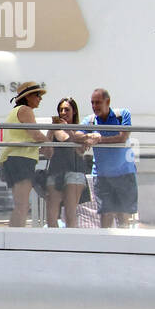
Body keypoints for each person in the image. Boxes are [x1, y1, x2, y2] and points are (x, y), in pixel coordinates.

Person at [0, 81, 49, 228]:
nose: (40, 98)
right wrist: (51, 144)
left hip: (13, 159)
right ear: (28, 96)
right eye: (37, 95)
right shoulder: (25, 110)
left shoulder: (16, 111)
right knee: (23, 204)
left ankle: (13, 234)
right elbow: (36, 135)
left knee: (20, 203)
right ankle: (17, 236)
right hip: (20, 160)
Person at [83, 88, 137, 228]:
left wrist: (99, 139)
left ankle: (124, 248)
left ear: (108, 102)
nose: (94, 106)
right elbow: (77, 134)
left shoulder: (122, 114)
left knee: (123, 216)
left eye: (98, 102)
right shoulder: (89, 121)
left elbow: (123, 137)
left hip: (124, 173)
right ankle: (106, 248)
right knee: (106, 215)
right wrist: (88, 136)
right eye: (92, 103)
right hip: (102, 176)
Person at [42, 96, 88, 229]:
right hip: (55, 171)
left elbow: (81, 150)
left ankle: (71, 245)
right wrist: (50, 133)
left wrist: (68, 130)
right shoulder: (55, 128)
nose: (63, 113)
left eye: (66, 110)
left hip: (74, 171)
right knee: (51, 214)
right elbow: (47, 153)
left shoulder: (79, 130)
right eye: (60, 110)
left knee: (70, 213)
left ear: (74, 112)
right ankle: (54, 245)